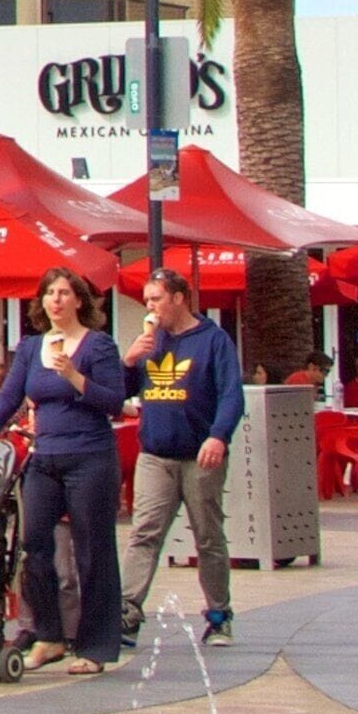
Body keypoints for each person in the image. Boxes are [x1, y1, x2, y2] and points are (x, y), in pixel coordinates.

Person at [0, 267, 127, 674]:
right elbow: (10, 395)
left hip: (90, 456)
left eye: (64, 293)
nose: (56, 299)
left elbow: (115, 401)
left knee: (92, 551)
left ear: (80, 300)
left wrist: (74, 377)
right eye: (49, 293)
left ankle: (96, 646)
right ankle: (49, 635)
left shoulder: (99, 346)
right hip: (45, 458)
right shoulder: (30, 348)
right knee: (33, 544)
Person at [119, 266, 246, 646]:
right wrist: (129, 362)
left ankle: (219, 614)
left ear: (178, 298)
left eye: (156, 299)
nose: (150, 307)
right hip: (156, 453)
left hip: (198, 453)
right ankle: (127, 610)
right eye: (146, 301)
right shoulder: (150, 341)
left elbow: (231, 393)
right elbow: (122, 394)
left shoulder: (213, 340)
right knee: (145, 532)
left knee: (207, 535)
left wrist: (218, 436)